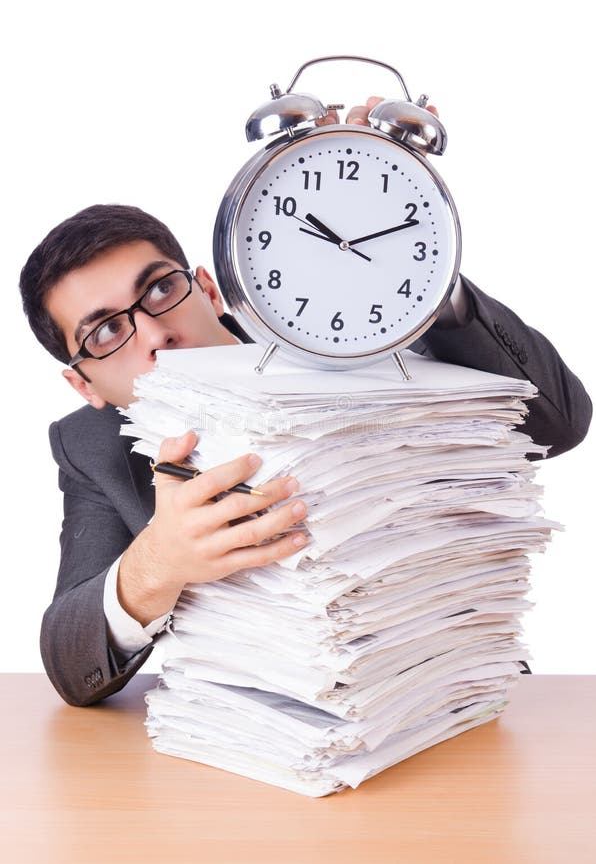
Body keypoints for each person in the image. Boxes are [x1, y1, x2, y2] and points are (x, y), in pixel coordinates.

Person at [20, 100, 592, 707]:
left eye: (161, 289)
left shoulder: (349, 335)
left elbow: (558, 423)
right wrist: (153, 567)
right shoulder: (90, 448)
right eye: (106, 331)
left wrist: (430, 283)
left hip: (443, 699)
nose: (154, 334)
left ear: (208, 289)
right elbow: (68, 661)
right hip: (268, 733)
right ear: (85, 386)